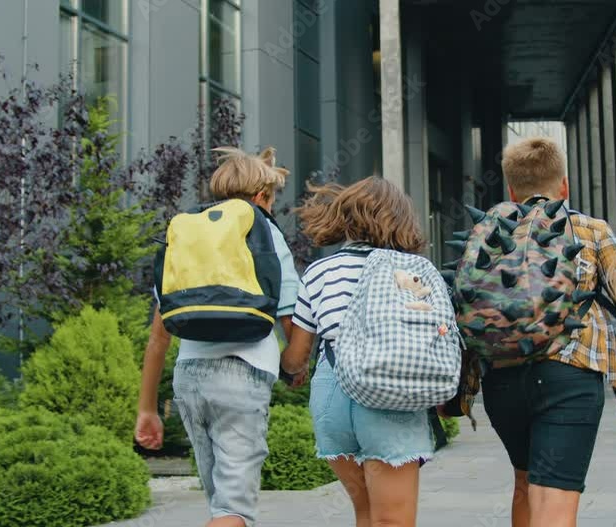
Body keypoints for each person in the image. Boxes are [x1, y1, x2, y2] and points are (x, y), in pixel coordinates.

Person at [477, 137, 616, 527]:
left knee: (524, 484)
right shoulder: (589, 229)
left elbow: (471, 305)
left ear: (511, 189)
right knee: (554, 496)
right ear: (564, 186)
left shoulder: (488, 233)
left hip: (502, 379)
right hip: (569, 373)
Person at [134, 147, 299, 527]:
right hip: (244, 375)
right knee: (234, 509)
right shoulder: (265, 230)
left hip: (190, 376)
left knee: (220, 503)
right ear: (262, 198)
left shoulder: (188, 233)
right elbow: (290, 317)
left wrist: (147, 408)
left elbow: (158, 337)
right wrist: (295, 366)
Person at [280, 177, 433, 527]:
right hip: (389, 394)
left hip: (332, 398)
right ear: (402, 219)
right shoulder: (413, 271)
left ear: (346, 219)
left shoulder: (319, 271)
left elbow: (298, 356)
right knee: (393, 520)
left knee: (365, 512)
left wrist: (286, 368)